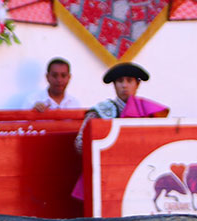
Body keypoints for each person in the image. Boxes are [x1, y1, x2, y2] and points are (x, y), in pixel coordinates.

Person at [72, 63, 168, 200]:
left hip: (139, 175)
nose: (124, 85)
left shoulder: (149, 111)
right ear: (114, 85)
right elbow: (80, 144)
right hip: (107, 175)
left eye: (129, 81)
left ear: (137, 84)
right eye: (120, 81)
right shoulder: (101, 111)